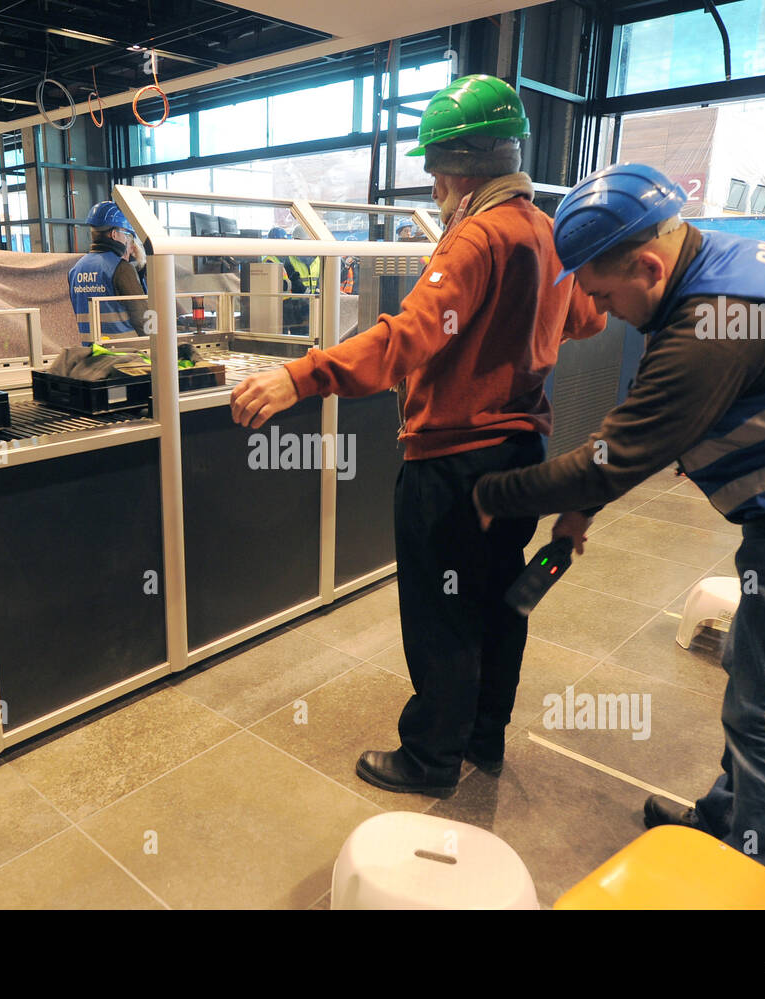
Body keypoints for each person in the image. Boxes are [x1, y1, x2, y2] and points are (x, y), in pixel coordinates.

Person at [471, 161, 765, 895]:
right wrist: (579, 515)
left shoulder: (711, 324)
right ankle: (731, 824)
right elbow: (637, 420)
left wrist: (492, 493)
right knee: (759, 673)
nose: (599, 312)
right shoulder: (714, 265)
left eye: (602, 293)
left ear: (650, 264)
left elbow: (611, 459)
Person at [229, 75, 605, 797]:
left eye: (435, 166)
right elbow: (586, 319)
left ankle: (430, 756)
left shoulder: (478, 236)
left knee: (441, 613)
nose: (433, 182)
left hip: (452, 462)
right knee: (500, 601)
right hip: (520, 453)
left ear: (460, 164)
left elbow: (408, 336)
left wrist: (301, 377)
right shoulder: (545, 231)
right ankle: (483, 739)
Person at [69, 201, 148, 342]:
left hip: (92, 354)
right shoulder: (121, 268)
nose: (128, 241)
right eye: (127, 236)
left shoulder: (76, 269)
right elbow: (142, 319)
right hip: (125, 354)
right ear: (114, 234)